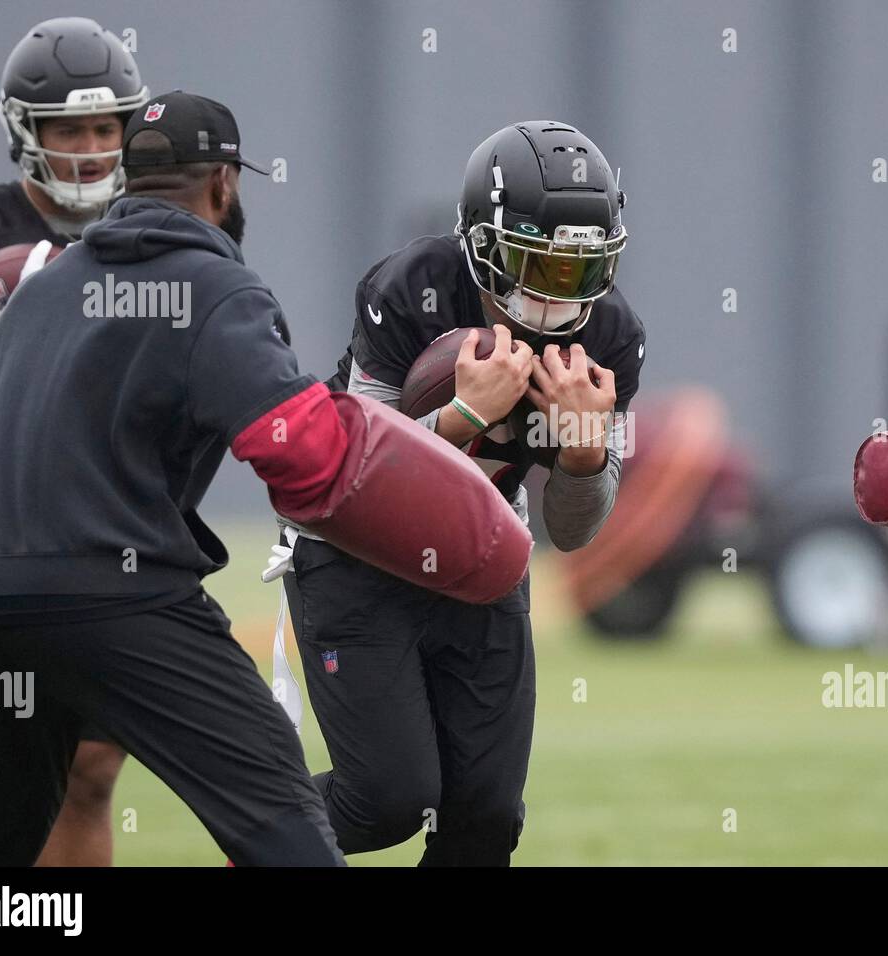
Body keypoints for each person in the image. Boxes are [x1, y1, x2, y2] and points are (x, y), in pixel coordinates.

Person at [0, 91, 530, 867]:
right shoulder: (217, 289)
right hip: (115, 591)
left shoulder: (37, 290)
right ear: (223, 185)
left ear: (123, 180)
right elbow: (304, 455)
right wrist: (463, 501)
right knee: (287, 830)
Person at [276, 120, 646, 865]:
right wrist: (459, 418)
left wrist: (581, 459)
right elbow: (351, 479)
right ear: (481, 243)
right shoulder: (411, 291)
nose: (551, 292)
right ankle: (253, 838)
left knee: (485, 818)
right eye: (531, 262)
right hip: (356, 560)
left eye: (575, 270)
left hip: (479, 554)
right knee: (386, 800)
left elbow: (573, 534)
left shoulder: (612, 337)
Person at [0, 16, 149, 865]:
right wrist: (19, 321)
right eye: (70, 127)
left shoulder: (153, 222)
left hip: (114, 528)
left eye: (106, 126)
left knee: (90, 769)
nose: (92, 147)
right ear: (26, 130)